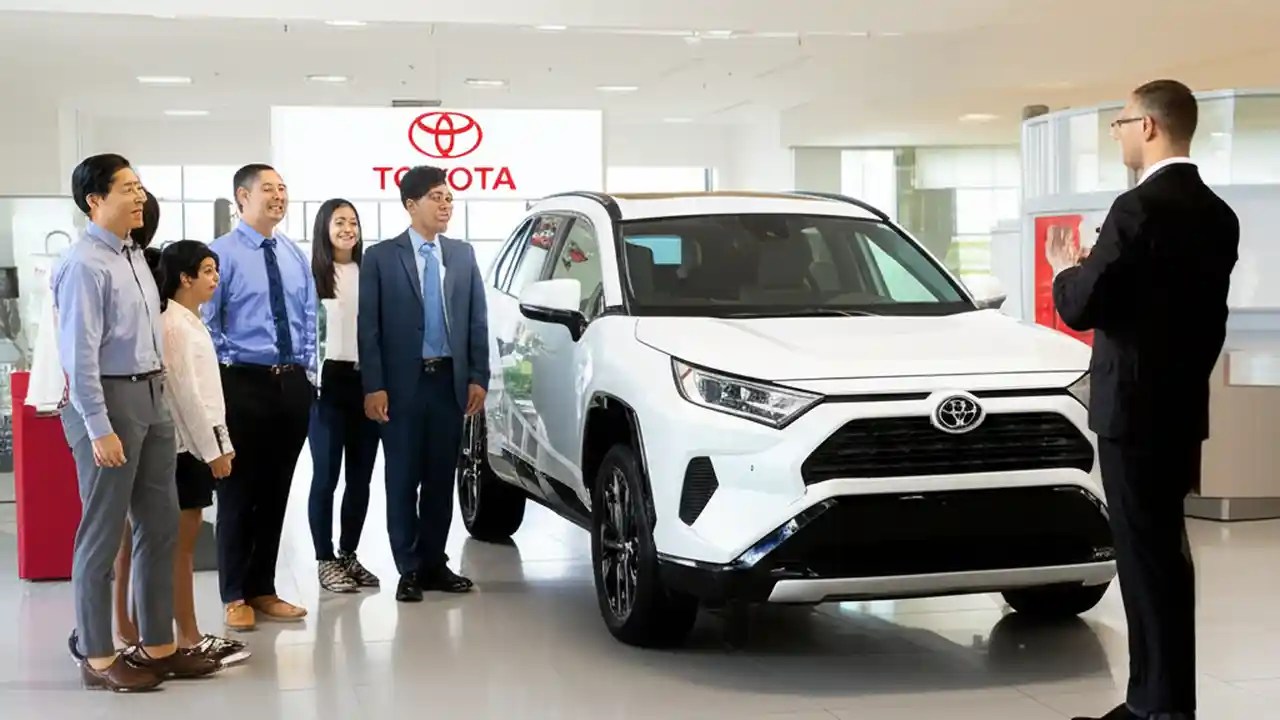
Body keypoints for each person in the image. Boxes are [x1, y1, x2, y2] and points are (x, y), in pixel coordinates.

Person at [1050, 80, 1239, 720]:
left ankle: (1154, 708)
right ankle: (1163, 704)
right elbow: (1176, 315)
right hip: (1182, 411)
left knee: (1143, 560)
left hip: (1131, 416)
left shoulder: (1136, 210)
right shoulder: (1218, 215)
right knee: (1168, 558)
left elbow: (1080, 304)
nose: (1120, 135)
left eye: (1122, 122)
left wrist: (1063, 266)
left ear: (1150, 127)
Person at [58, 154, 217, 690]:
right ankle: (98, 658)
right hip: (108, 399)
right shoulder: (84, 264)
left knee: (161, 524)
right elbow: (78, 357)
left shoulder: (132, 256)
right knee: (102, 533)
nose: (140, 196)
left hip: (150, 398)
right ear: (95, 200)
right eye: (128, 188)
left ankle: (158, 645)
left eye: (141, 186)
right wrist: (98, 426)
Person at [357, 165, 489, 603]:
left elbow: (476, 320)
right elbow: (369, 328)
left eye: (449, 196)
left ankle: (434, 562)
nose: (446, 203)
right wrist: (373, 386)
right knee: (402, 478)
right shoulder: (380, 257)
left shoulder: (463, 254)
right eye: (436, 196)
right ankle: (408, 568)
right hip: (400, 387)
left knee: (439, 478)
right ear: (411, 205)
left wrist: (478, 377)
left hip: (449, 383)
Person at [203, 164, 315, 631]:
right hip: (241, 383)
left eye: (283, 188)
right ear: (241, 198)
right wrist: (224, 376)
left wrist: (306, 375)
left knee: (275, 492)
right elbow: (206, 323)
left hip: (291, 386)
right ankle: (234, 595)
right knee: (237, 493)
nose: (279, 196)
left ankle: (263, 587)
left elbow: (308, 318)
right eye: (268, 189)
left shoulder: (292, 253)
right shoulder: (220, 255)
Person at [155, 240, 251, 665]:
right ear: (184, 278)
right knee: (182, 547)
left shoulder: (190, 322)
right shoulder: (173, 326)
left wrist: (219, 445)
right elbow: (187, 397)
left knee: (185, 545)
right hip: (184, 449)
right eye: (208, 271)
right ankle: (187, 636)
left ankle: (189, 633)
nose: (216, 278)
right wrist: (214, 451)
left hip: (196, 445)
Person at [307, 199, 381, 593]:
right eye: (340, 222)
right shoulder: (313, 275)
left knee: (361, 478)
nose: (348, 228)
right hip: (327, 384)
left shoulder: (370, 273)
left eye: (353, 221)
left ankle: (349, 555)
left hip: (367, 381)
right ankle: (325, 558)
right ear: (325, 228)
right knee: (325, 476)